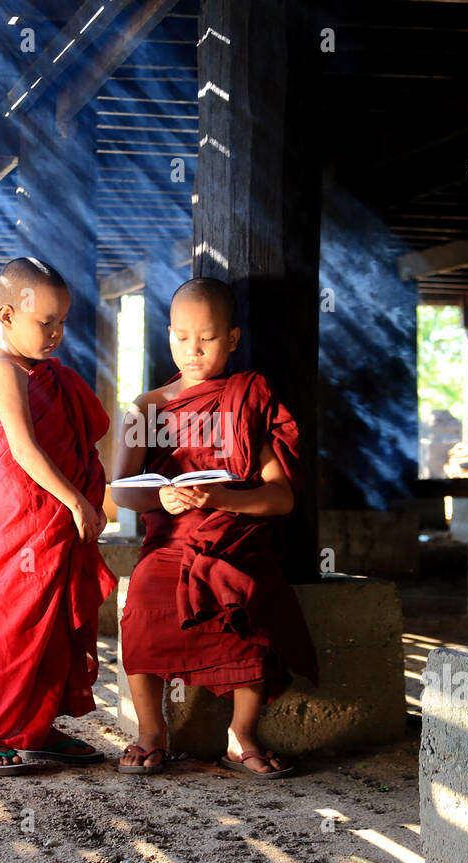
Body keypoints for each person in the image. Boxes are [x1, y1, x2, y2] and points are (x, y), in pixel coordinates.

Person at [113, 277, 318, 779]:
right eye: (181, 337)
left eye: (206, 338)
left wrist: (221, 496)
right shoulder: (149, 406)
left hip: (233, 535)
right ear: (168, 337)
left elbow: (281, 496)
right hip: (169, 540)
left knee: (246, 592)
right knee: (143, 597)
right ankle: (150, 731)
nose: (193, 350)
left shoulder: (246, 400)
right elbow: (120, 490)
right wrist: (159, 495)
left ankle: (240, 734)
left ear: (232, 338)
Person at [0, 257, 116, 776]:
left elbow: (85, 437)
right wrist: (77, 500)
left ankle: (38, 728)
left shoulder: (54, 377)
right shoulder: (3, 370)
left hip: (57, 519)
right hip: (21, 519)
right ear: (7, 316)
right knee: (15, 620)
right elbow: (25, 450)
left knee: (54, 628)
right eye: (43, 322)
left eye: (61, 322)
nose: (55, 333)